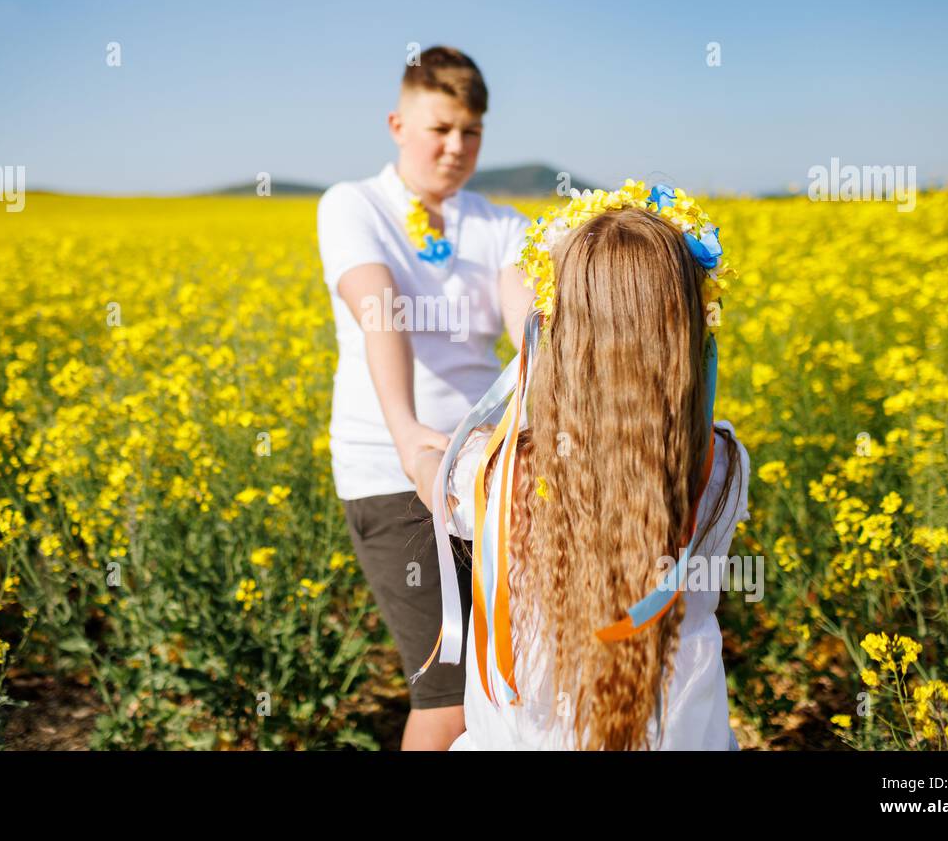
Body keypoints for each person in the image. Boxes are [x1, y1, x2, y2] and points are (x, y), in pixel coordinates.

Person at [409, 191, 751, 750]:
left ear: (556, 332)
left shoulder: (492, 468)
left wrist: (422, 453)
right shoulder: (723, 464)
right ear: (690, 331)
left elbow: (436, 483)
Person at [316, 45, 535, 750]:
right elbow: (379, 311)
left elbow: (526, 322)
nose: (456, 147)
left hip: (494, 475)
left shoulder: (500, 223)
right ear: (396, 123)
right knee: (448, 698)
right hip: (394, 471)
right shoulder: (353, 206)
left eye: (471, 131)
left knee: (513, 683)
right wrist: (410, 433)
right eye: (440, 128)